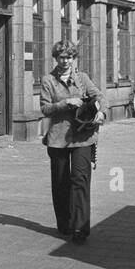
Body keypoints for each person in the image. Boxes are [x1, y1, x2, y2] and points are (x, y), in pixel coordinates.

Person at [40, 40, 105, 244]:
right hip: (58, 138)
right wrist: (65, 103)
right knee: (60, 183)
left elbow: (99, 96)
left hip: (82, 137)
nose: (65, 60)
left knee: (80, 180)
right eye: (61, 57)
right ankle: (65, 223)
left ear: (73, 58)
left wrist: (101, 111)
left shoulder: (82, 78)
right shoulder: (48, 80)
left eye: (69, 57)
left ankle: (80, 228)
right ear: (56, 58)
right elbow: (45, 108)